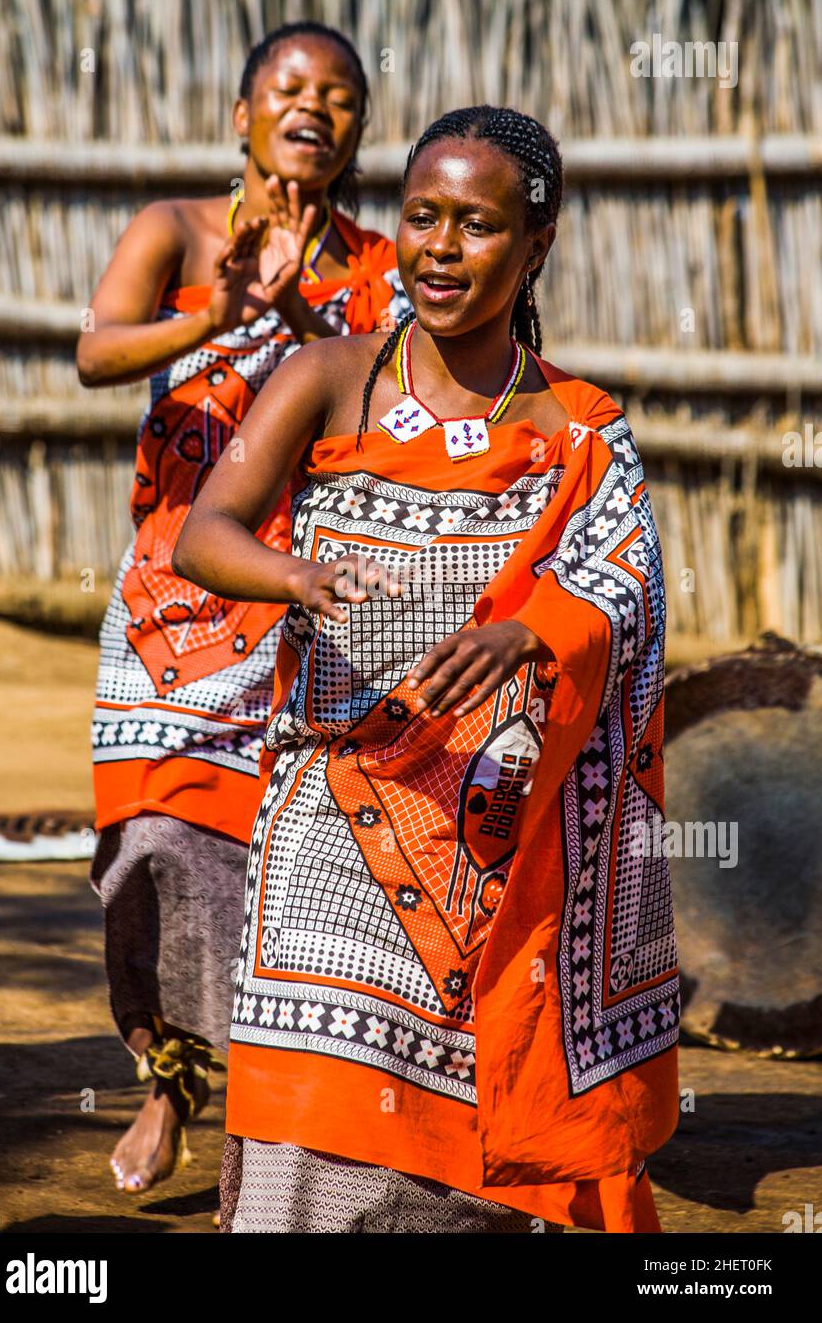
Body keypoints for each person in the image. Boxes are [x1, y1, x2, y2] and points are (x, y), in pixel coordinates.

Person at [173, 105, 679, 1234]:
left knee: (486, 1127)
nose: (441, 247)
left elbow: (627, 576)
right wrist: (293, 575)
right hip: (331, 809)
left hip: (497, 833)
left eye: (478, 225)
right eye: (420, 216)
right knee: (318, 1109)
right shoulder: (327, 376)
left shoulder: (578, 424)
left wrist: (531, 631)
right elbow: (207, 530)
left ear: (535, 245)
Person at [76, 21, 409, 1195]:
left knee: (270, 869)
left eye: (339, 96)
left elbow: (387, 400)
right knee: (148, 849)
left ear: (356, 130)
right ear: (242, 115)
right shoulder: (177, 231)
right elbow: (95, 352)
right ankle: (163, 1068)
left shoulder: (377, 267)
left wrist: (311, 325)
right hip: (169, 603)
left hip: (298, 603)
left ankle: (242, 1120)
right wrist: (209, 318)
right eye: (288, 88)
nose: (312, 106)